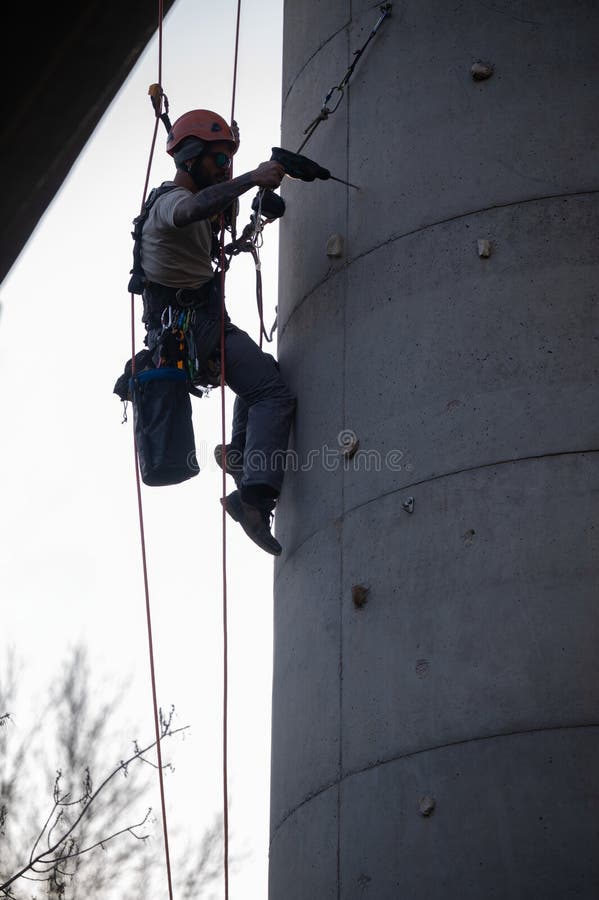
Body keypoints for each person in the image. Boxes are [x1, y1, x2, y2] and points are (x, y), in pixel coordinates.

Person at [138, 109, 296, 556]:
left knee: (260, 375)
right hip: (195, 328)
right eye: (217, 160)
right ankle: (254, 500)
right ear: (190, 157)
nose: (223, 169)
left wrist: (251, 211)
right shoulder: (170, 202)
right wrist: (249, 176)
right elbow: (192, 210)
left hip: (195, 327)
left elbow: (213, 218)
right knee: (273, 394)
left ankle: (242, 457)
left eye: (226, 162)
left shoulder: (187, 201)